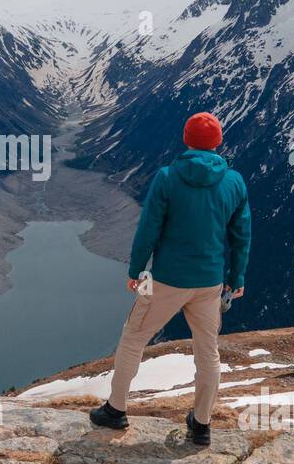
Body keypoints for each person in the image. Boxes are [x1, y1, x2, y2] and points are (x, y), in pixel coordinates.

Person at [89, 111, 251, 446]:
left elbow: (148, 229)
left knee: (133, 336)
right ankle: (202, 424)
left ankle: (115, 410)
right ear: (218, 142)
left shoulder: (167, 177)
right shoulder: (234, 182)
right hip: (210, 282)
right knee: (208, 352)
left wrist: (136, 271)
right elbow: (241, 235)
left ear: (186, 139)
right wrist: (236, 278)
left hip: (163, 278)